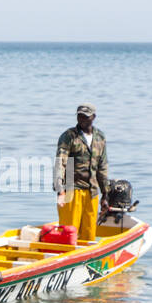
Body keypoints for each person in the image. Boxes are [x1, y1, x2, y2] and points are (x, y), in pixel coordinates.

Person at [53, 103, 110, 243]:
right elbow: (60, 163)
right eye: (79, 116)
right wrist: (60, 191)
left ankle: (88, 256)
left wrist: (105, 194)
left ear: (93, 117)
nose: (82, 119)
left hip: (92, 192)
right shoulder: (69, 136)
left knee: (89, 234)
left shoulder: (100, 137)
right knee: (69, 233)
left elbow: (102, 167)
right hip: (71, 191)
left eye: (85, 116)